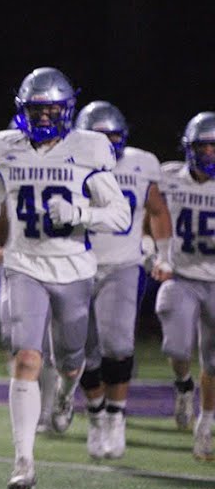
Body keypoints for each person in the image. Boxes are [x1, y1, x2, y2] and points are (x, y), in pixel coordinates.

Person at [0, 67, 128, 489]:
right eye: (37, 110)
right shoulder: (5, 147)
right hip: (24, 265)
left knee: (70, 361)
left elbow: (120, 215)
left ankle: (66, 394)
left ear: (67, 110)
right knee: (27, 359)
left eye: (52, 109)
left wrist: (81, 214)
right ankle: (23, 460)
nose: (45, 118)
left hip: (73, 268)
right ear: (23, 111)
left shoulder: (88, 149)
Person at [71, 101, 171, 460]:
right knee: (81, 349)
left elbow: (157, 210)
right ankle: (96, 411)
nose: (109, 144)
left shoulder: (141, 162)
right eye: (101, 137)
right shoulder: (67, 161)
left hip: (122, 265)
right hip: (75, 264)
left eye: (114, 137)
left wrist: (162, 254)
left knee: (117, 345)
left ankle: (115, 417)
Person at [155, 111, 215, 459]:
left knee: (213, 360)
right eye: (203, 148)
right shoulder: (168, 178)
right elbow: (149, 213)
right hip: (181, 275)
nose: (209, 155)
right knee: (177, 348)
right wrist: (154, 253)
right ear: (190, 149)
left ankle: (205, 424)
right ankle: (182, 386)